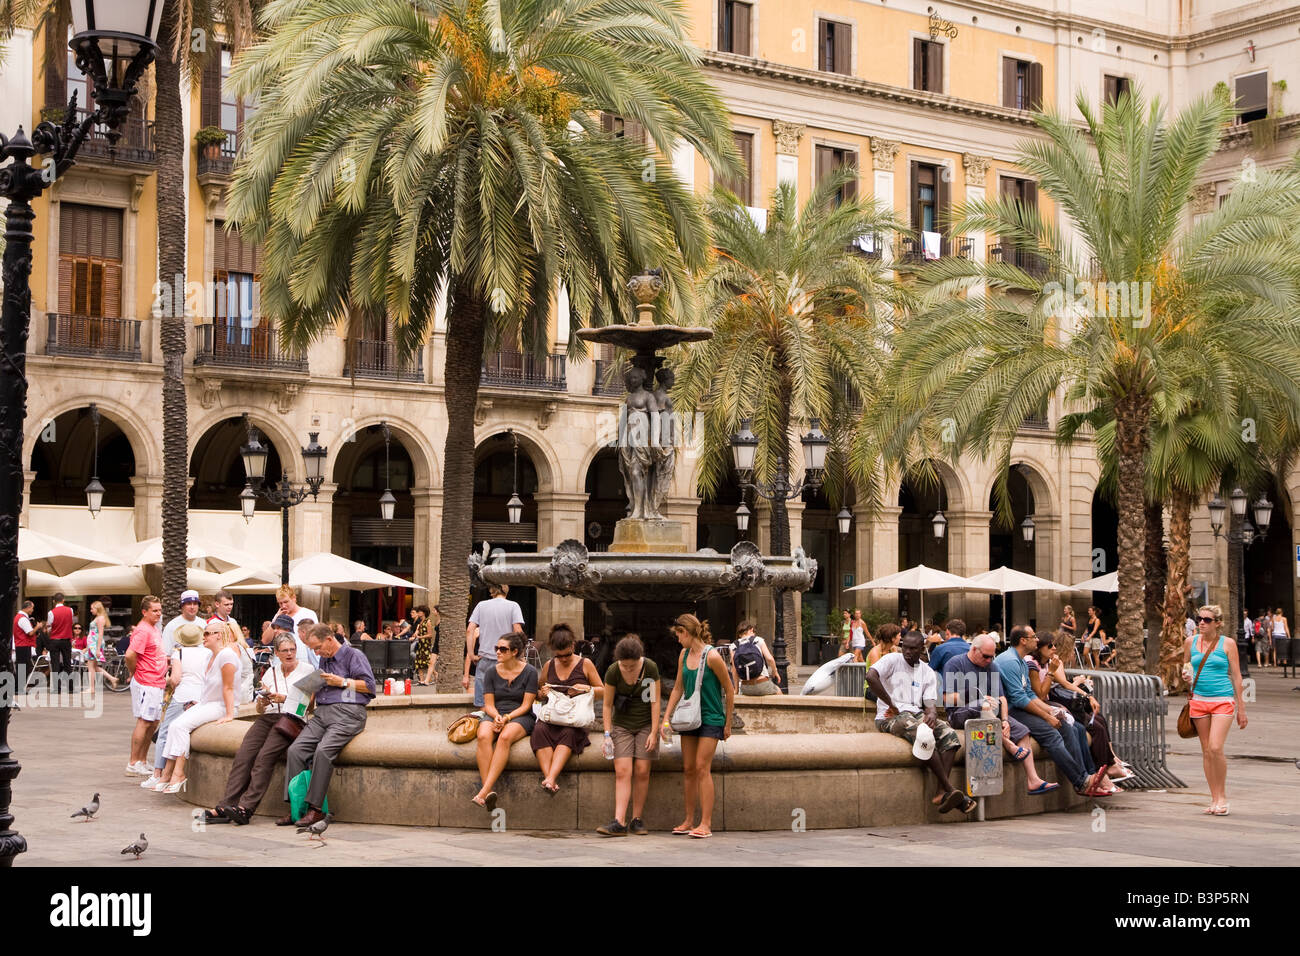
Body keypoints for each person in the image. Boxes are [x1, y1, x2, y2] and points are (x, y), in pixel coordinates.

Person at [207, 632, 316, 825]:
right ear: (277, 653)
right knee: (243, 755)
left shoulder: (307, 670)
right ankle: (226, 806)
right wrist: (264, 701)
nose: (289, 654)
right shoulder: (271, 671)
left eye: (292, 650)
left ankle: (246, 807)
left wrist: (285, 698)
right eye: (284, 651)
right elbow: (259, 708)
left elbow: (310, 706)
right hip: (268, 717)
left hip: (290, 719)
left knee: (264, 757)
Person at [279, 622, 375, 827]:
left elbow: (369, 686)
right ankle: (297, 809)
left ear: (330, 640)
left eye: (318, 647)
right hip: (323, 714)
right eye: (314, 649)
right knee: (295, 750)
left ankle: (316, 810)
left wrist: (342, 682)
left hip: (348, 714)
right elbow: (319, 686)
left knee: (322, 752)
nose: (316, 652)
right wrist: (303, 700)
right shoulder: (325, 658)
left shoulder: (354, 656)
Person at [868, 630, 973, 814]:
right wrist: (891, 703)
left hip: (915, 714)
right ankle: (950, 789)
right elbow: (870, 676)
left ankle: (941, 792)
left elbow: (930, 702)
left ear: (922, 649)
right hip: (890, 717)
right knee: (923, 733)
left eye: (912, 649)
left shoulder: (927, 671)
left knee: (949, 734)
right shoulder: (892, 660)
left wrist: (932, 713)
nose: (907, 652)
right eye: (905, 647)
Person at [995, 626, 1107, 797]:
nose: (1037, 640)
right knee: (1052, 734)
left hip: (1021, 707)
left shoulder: (1020, 660)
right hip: (1012, 711)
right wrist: (1047, 716)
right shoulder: (1010, 661)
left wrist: (1051, 710)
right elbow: (1019, 699)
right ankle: (1081, 782)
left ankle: (1086, 777)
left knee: (1067, 727)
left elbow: (1029, 694)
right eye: (1033, 637)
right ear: (1023, 641)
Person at [941, 634, 1058, 796]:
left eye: (992, 656)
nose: (989, 660)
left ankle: (1033, 780)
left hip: (989, 713)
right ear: (974, 650)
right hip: (958, 714)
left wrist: (1004, 721)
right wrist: (974, 696)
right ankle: (1008, 744)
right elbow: (946, 698)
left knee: (1022, 730)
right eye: (986, 656)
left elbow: (1001, 697)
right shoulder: (955, 664)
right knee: (984, 704)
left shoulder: (992, 666)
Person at [660, 614, 733, 838]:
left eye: (679, 634)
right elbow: (678, 688)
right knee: (689, 769)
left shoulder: (712, 656)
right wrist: (666, 717)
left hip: (711, 717)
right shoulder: (684, 655)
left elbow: (729, 690)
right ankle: (689, 820)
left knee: (702, 767)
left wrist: (727, 723)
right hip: (689, 717)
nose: (678, 639)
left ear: (687, 632)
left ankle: (706, 824)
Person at [153, 620, 239, 794]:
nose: (204, 637)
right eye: (204, 633)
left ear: (218, 635)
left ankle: (178, 773)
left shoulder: (227, 655)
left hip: (220, 705)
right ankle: (167, 773)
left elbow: (229, 687)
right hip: (207, 703)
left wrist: (230, 714)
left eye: (207, 633)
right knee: (173, 725)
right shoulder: (209, 655)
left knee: (180, 726)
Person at [1033, 632, 1123, 792]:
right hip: (1050, 704)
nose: (1053, 648)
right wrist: (1085, 693)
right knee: (1083, 728)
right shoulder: (1038, 664)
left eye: (1054, 645)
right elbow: (1042, 694)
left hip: (1051, 704)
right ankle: (1092, 775)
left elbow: (1050, 689)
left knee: (1085, 727)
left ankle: (1095, 773)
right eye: (1050, 646)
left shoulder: (1048, 663)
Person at [1181, 605, 1247, 815]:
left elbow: (1237, 676)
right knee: (1207, 751)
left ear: (1217, 623)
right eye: (1199, 619)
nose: (1201, 622)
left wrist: (1242, 708)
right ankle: (1214, 798)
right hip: (1198, 700)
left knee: (1216, 747)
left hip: (1223, 699)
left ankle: (1223, 797)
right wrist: (1186, 676)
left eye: (1207, 620)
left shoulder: (1228, 643)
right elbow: (1186, 666)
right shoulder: (1190, 642)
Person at [597, 634, 661, 836]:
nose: (627, 669)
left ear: (639, 659)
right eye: (624, 666)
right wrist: (607, 734)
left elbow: (655, 701)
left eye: (631, 667)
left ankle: (637, 819)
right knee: (623, 771)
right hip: (622, 725)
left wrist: (653, 731)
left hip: (645, 725)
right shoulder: (613, 670)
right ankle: (619, 821)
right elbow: (606, 706)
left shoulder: (650, 667)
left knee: (642, 771)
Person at [471, 631, 539, 811]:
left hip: (520, 716)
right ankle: (489, 792)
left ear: (515, 652)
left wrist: (508, 718)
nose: (497, 652)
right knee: (484, 736)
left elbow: (527, 705)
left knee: (505, 737)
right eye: (496, 648)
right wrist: (496, 716)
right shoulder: (492, 671)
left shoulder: (530, 672)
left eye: (502, 649)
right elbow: (488, 704)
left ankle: (484, 791)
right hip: (496, 713)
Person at [533, 624, 604, 793]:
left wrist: (586, 688)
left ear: (573, 646)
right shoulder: (549, 665)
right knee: (539, 730)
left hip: (574, 720)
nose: (564, 659)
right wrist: (542, 694)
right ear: (552, 650)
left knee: (569, 733)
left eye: (567, 654)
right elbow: (538, 693)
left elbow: (603, 691)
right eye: (559, 655)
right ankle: (550, 779)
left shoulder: (585, 664)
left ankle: (550, 779)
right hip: (553, 717)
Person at [141, 621, 210, 790]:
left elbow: (176, 678)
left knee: (165, 733)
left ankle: (159, 773)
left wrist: (168, 681)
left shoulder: (178, 652)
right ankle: (172, 774)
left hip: (181, 696)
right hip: (200, 696)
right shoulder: (207, 653)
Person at [463, 584, 526, 707]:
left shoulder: (481, 606)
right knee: (505, 703)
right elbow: (518, 631)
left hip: (484, 660)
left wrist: (471, 654)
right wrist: (521, 655)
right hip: (507, 660)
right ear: (505, 589)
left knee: (483, 704)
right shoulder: (513, 606)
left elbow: (470, 630)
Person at [124, 596, 166, 775]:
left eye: (159, 610)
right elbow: (130, 655)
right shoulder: (143, 630)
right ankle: (133, 762)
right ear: (144, 612)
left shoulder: (153, 628)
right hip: (146, 681)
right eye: (154, 610)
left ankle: (142, 760)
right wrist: (136, 672)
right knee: (145, 721)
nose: (158, 613)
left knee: (153, 722)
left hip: (156, 681)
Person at [733, 621, 782, 695]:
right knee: (778, 692)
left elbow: (734, 670)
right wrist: (775, 671)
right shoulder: (758, 640)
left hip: (745, 687)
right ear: (751, 630)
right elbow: (769, 658)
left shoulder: (734, 646)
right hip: (761, 684)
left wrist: (736, 690)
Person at [84, 600, 118, 695]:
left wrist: (98, 649)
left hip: (95, 644)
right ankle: (112, 678)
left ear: (97, 608)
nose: (91, 610)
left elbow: (100, 634)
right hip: (93, 644)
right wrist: (88, 647)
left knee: (91, 666)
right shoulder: (99, 618)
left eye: (92, 608)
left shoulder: (100, 619)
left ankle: (92, 688)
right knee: (93, 666)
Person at [45, 592, 75, 690]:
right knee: (67, 664)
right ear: (63, 600)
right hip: (66, 640)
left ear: (54, 601)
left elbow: (49, 627)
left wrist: (51, 632)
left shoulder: (51, 612)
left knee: (55, 664)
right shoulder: (70, 610)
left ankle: (56, 688)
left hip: (55, 640)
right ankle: (70, 688)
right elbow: (71, 622)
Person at [162, 590, 202, 658]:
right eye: (189, 603)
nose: (192, 607)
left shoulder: (203, 623)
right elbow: (166, 653)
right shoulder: (172, 626)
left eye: (195, 603)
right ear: (182, 606)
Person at [12, 599, 40, 690]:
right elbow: (30, 633)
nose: (32, 610)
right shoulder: (23, 618)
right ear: (28, 608)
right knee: (24, 667)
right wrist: (37, 627)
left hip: (21, 645)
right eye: (32, 608)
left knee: (23, 667)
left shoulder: (19, 617)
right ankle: (18, 688)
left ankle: (18, 688)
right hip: (23, 645)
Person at [412, 605, 438, 685]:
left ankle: (435, 674)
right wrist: (415, 635)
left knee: (427, 661)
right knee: (418, 661)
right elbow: (417, 631)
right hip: (420, 644)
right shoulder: (420, 622)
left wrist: (420, 637)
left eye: (419, 611)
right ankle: (422, 679)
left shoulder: (428, 622)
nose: (418, 613)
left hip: (426, 644)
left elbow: (430, 635)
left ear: (423, 613)